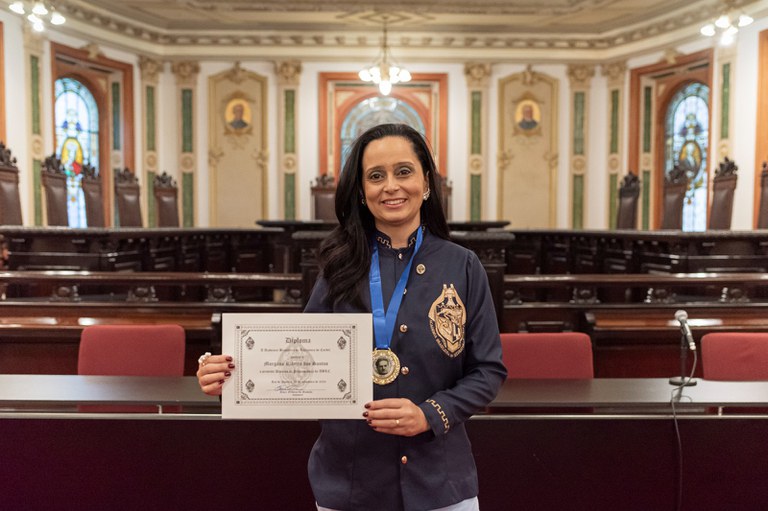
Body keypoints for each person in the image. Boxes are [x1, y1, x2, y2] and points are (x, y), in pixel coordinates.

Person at [197, 123, 507, 511]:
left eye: (404, 171)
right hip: (350, 481)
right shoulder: (336, 267)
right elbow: (297, 361)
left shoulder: (463, 266)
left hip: (441, 481)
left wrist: (431, 414)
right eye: (375, 176)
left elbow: (488, 371)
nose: (390, 186)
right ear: (361, 192)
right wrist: (228, 370)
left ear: (426, 182)